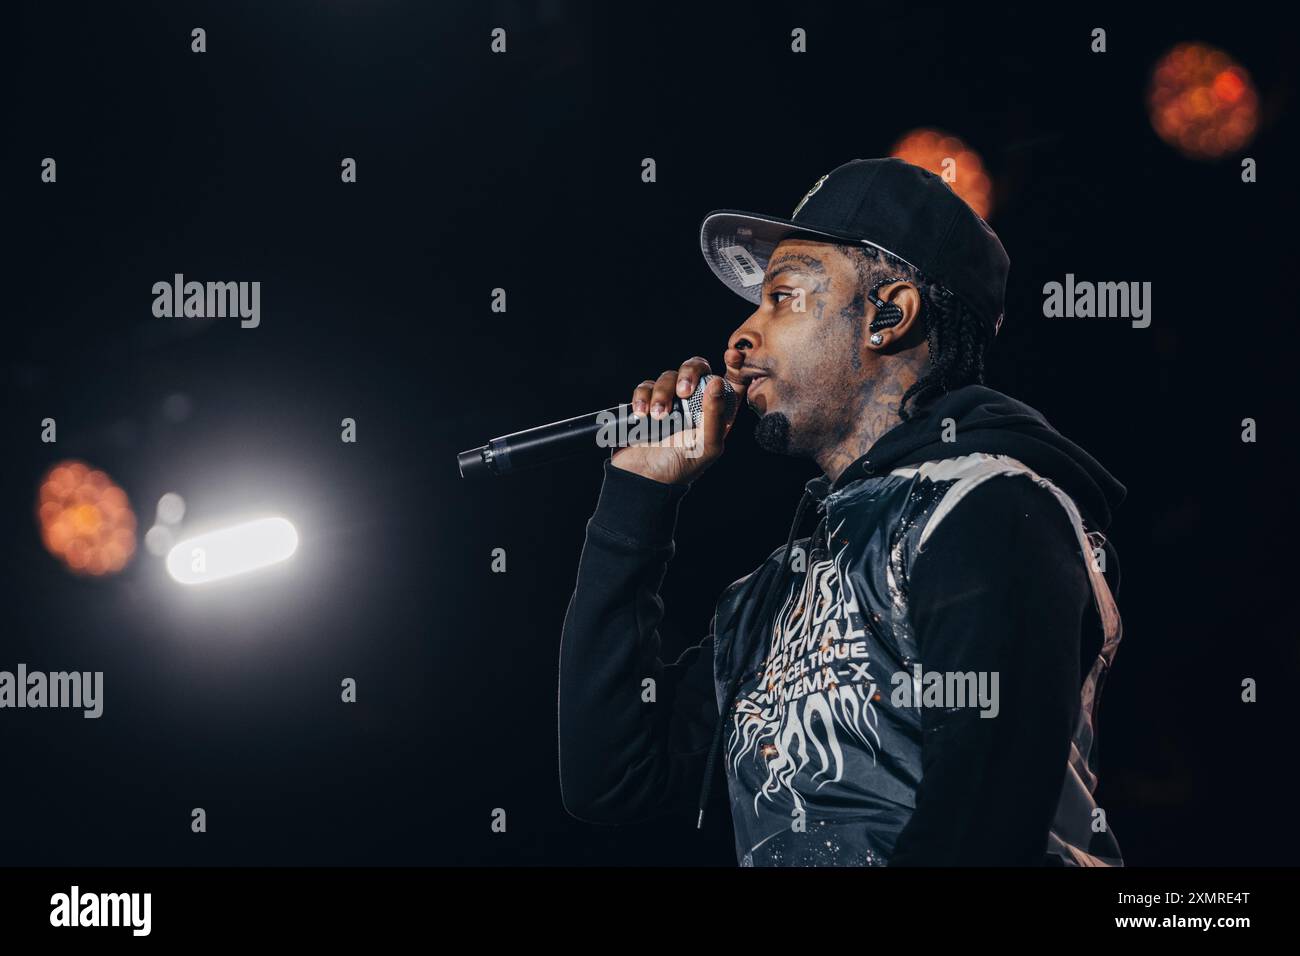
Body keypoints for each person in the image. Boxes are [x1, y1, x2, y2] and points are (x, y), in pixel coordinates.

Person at [557, 158, 1125, 866]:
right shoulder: (772, 594)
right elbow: (611, 780)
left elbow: (981, 830)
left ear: (889, 314)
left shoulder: (988, 506)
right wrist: (637, 497)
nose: (740, 335)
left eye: (783, 297)